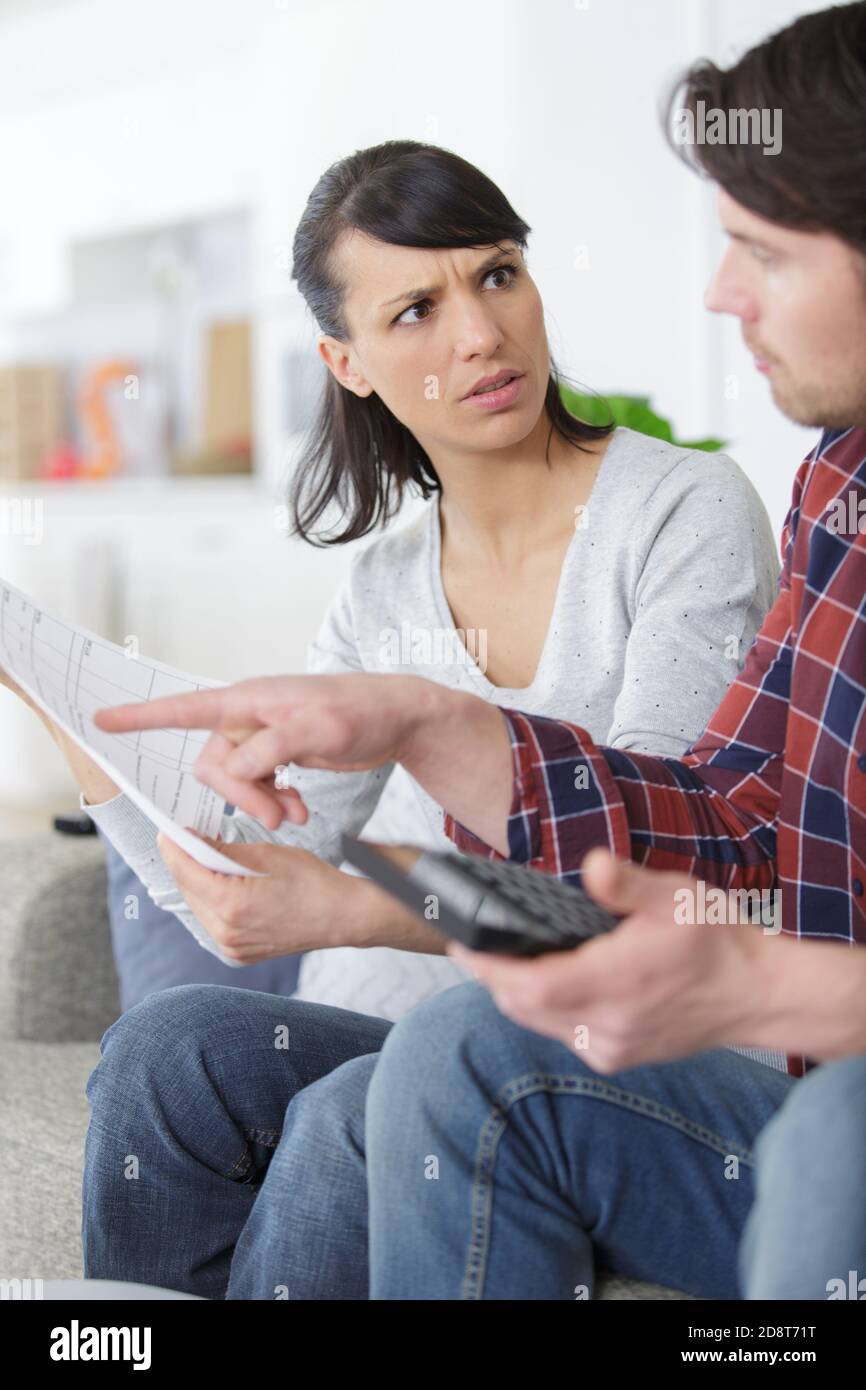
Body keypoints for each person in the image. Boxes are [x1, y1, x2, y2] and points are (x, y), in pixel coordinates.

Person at [87, 3, 866, 1300]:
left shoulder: (678, 513)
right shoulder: (381, 585)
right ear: (345, 362)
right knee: (167, 1050)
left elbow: (661, 879)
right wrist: (150, 771)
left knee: (381, 1090)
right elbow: (282, 860)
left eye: (495, 274)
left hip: (538, 1029)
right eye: (415, 309)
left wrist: (368, 890)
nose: (477, 334)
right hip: (414, 1010)